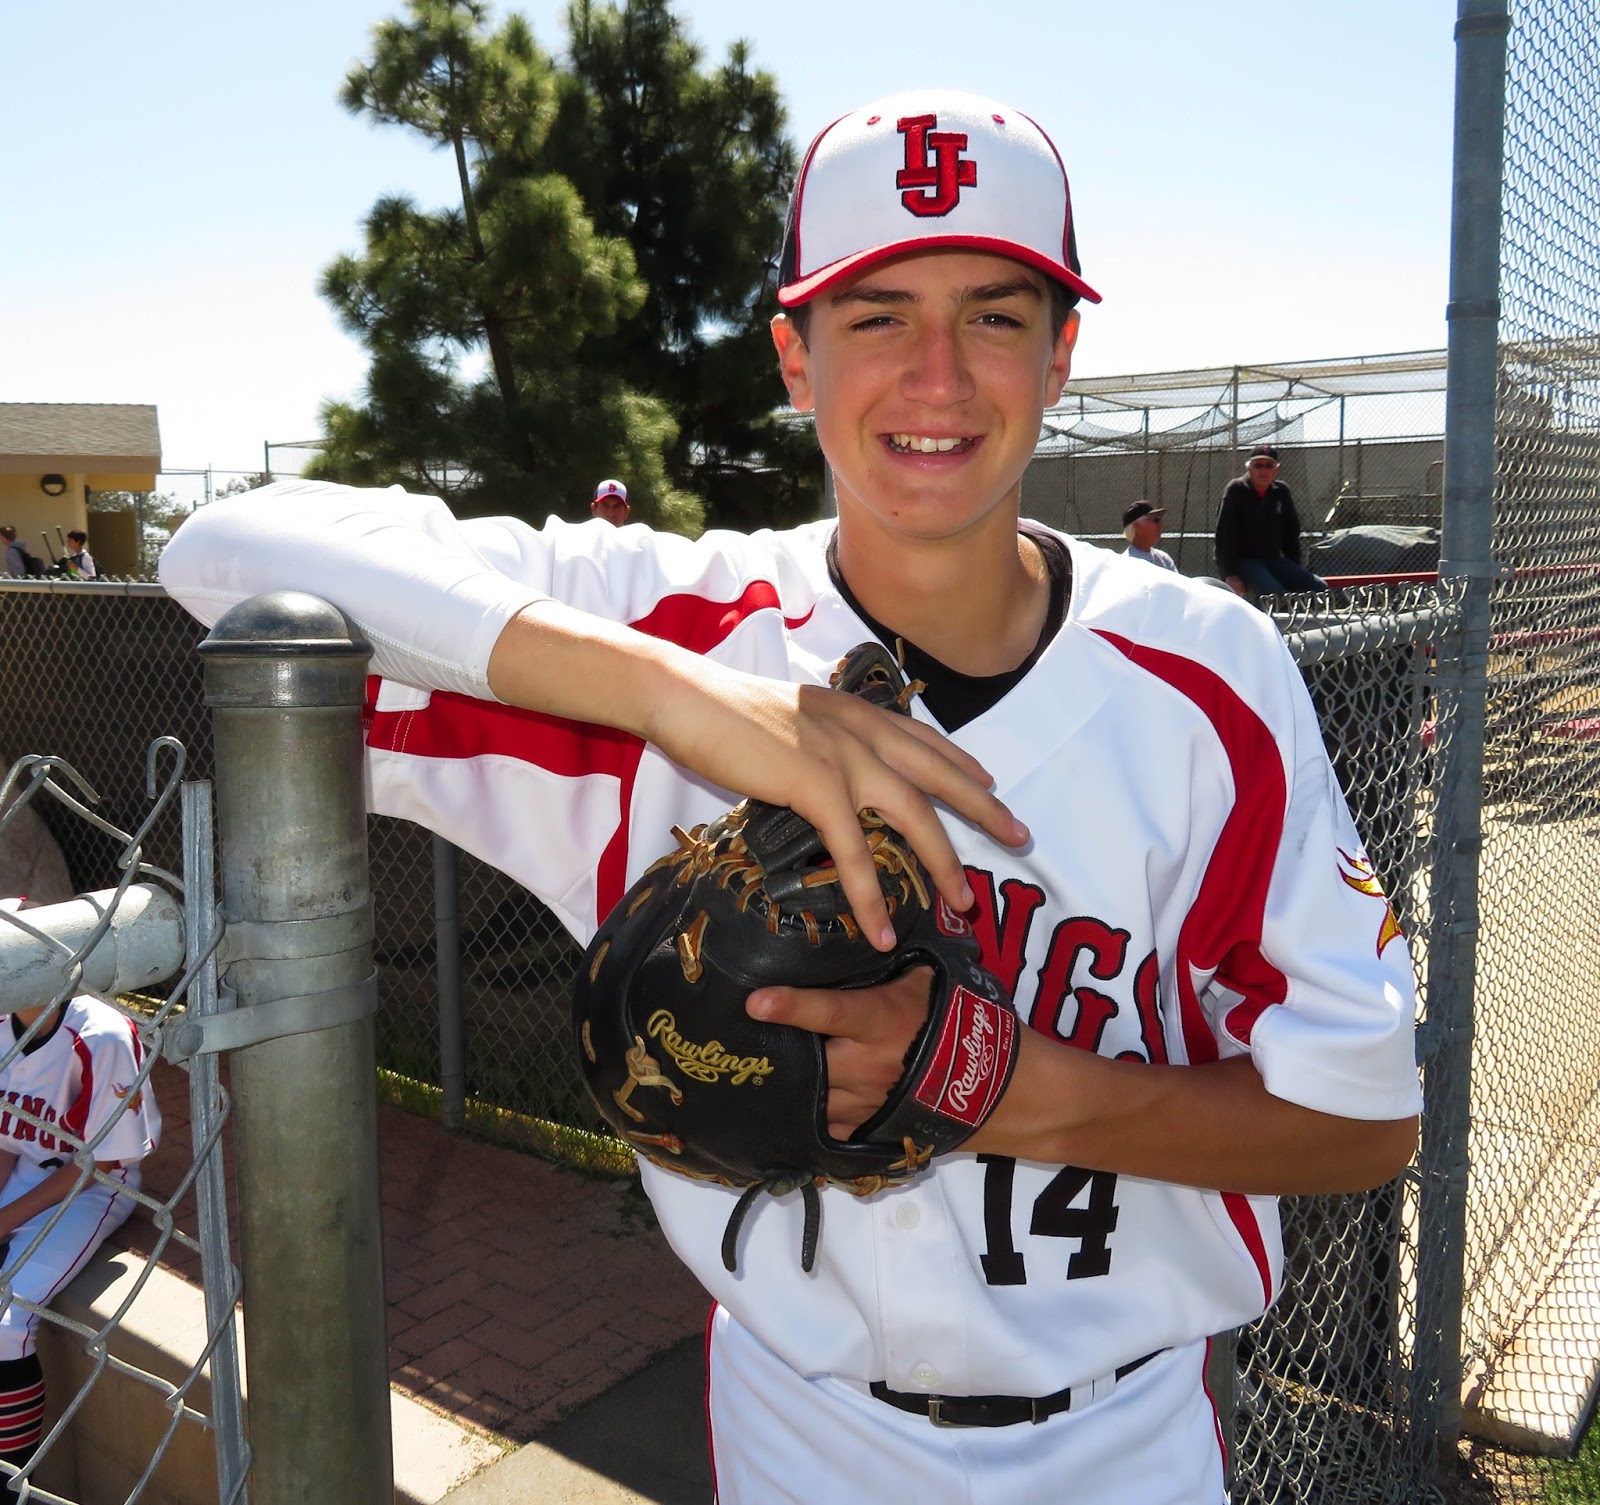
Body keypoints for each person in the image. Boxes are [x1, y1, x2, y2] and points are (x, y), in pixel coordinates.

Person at [160, 87, 1421, 1504]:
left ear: (1063, 354)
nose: (937, 376)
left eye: (996, 315)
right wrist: (688, 701)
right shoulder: (670, 629)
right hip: (801, 1428)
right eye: (875, 314)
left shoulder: (1207, 674)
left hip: (1121, 1439)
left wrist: (985, 1084)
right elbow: (220, 553)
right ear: (794, 358)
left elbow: (1362, 1120)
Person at [0, 902, 160, 1471]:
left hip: (92, 1186)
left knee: (8, 1322)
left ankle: (12, 1480)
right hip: (26, 1167)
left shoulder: (103, 1034)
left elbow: (103, 1165)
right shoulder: (1, 1020)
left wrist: (5, 1220)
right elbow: (7, 1134)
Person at [1215, 444, 1328, 597]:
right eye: (1258, 465)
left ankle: (1304, 619)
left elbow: (1291, 532)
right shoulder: (1236, 489)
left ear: (1276, 469)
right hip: (1244, 561)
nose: (1263, 470)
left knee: (1318, 587)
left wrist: (1294, 568)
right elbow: (1224, 535)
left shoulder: (1281, 491)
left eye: (1269, 466)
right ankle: (1261, 620)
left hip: (1273, 559)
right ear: (1249, 468)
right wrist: (1230, 574)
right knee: (1272, 592)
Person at [1122, 501, 1177, 570]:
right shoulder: (1126, 563)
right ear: (1136, 526)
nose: (1159, 524)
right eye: (1155, 520)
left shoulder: (1164, 559)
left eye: (1159, 519)